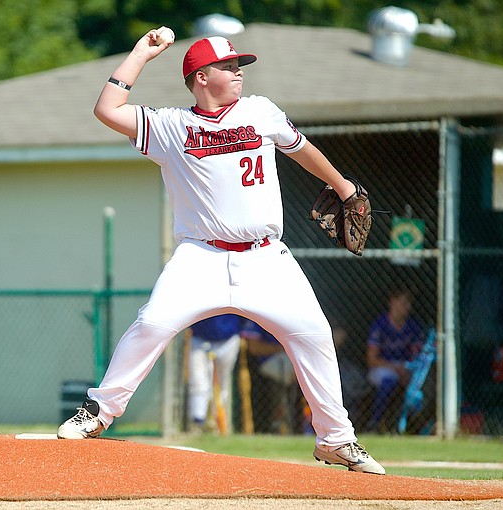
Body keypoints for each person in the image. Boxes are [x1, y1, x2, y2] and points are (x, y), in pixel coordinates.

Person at [57, 30, 385, 474]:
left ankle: (335, 439)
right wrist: (140, 54)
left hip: (266, 257)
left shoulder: (259, 111)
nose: (238, 73)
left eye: (238, 66)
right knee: (152, 323)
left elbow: (302, 149)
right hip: (200, 257)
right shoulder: (172, 126)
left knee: (314, 336)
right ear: (201, 76)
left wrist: (344, 188)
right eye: (229, 67)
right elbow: (106, 109)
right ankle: (100, 411)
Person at [365, 287, 426, 432]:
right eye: (403, 302)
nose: (406, 307)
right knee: (388, 382)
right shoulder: (380, 325)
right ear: (392, 302)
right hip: (383, 367)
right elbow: (372, 360)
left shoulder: (413, 326)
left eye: (408, 304)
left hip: (406, 368)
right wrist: (396, 369)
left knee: (420, 388)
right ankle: (376, 422)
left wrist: (409, 370)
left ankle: (410, 426)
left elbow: (418, 356)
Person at [240, 319, 300, 434]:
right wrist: (282, 349)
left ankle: (297, 421)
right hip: (269, 359)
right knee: (294, 370)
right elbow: (254, 347)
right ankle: (282, 422)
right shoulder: (257, 316)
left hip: (289, 357)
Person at [186, 314, 242, 433]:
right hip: (199, 337)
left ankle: (219, 425)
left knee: (222, 384)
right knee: (198, 381)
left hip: (228, 338)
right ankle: (197, 423)